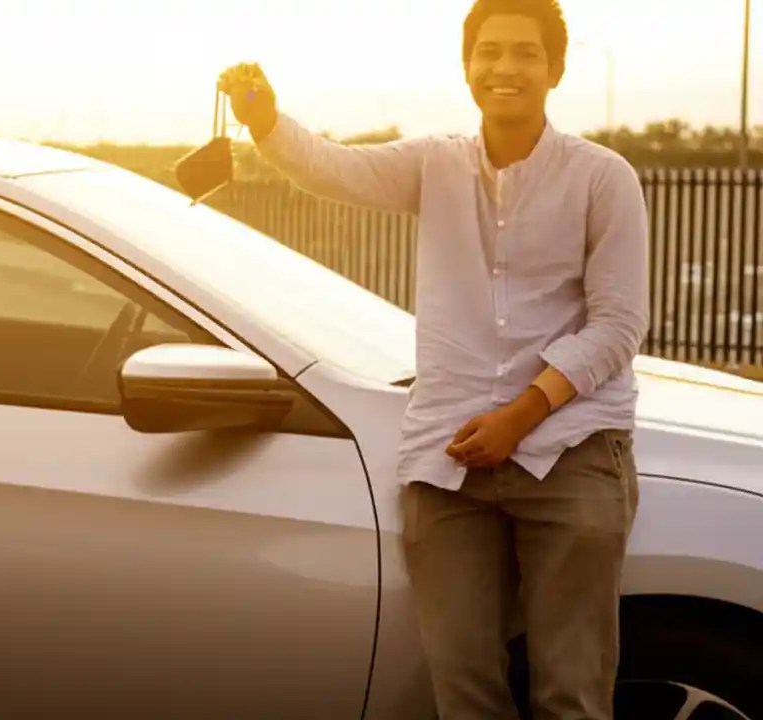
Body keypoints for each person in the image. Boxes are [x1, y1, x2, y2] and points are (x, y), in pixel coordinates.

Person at [219, 1, 649, 718]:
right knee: (463, 696)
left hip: (570, 453)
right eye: (488, 52)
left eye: (524, 53)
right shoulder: (434, 163)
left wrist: (519, 416)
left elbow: (618, 326)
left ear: (555, 69)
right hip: (448, 462)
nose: (504, 68)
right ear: (467, 66)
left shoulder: (603, 178)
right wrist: (264, 119)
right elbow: (336, 169)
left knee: (572, 697)